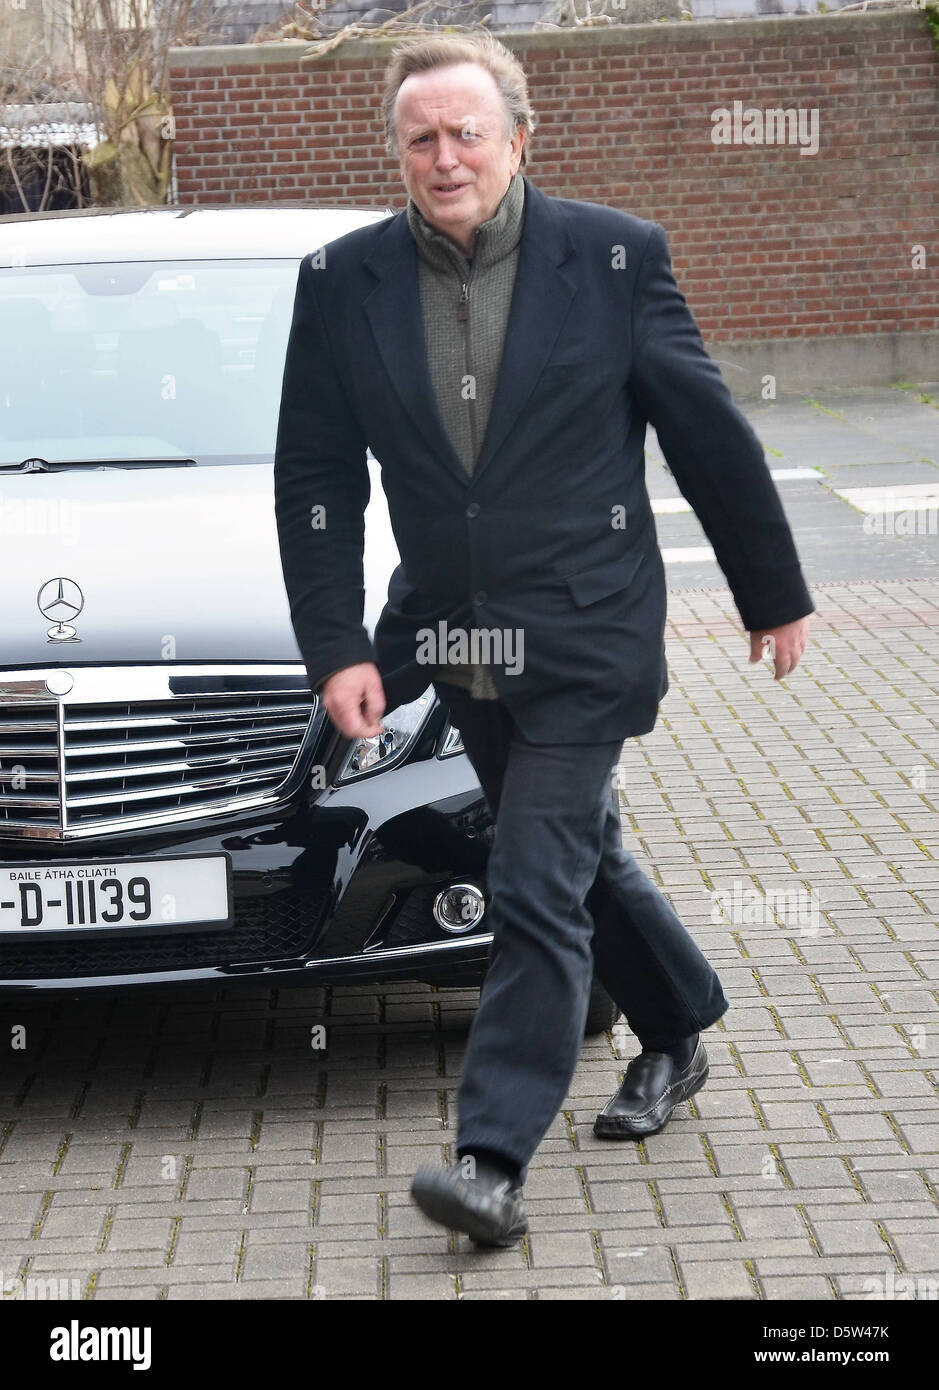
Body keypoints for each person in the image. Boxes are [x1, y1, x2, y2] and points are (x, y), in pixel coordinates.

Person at [273, 29, 813, 1249]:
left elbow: (706, 432)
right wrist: (337, 645)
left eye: (468, 132)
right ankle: (680, 1022)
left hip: (585, 634)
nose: (445, 156)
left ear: (519, 137)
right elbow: (314, 474)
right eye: (421, 137)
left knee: (528, 882)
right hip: (456, 641)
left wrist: (769, 588)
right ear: (398, 150)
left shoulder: (615, 259)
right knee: (573, 859)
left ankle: (491, 1159)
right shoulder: (342, 281)